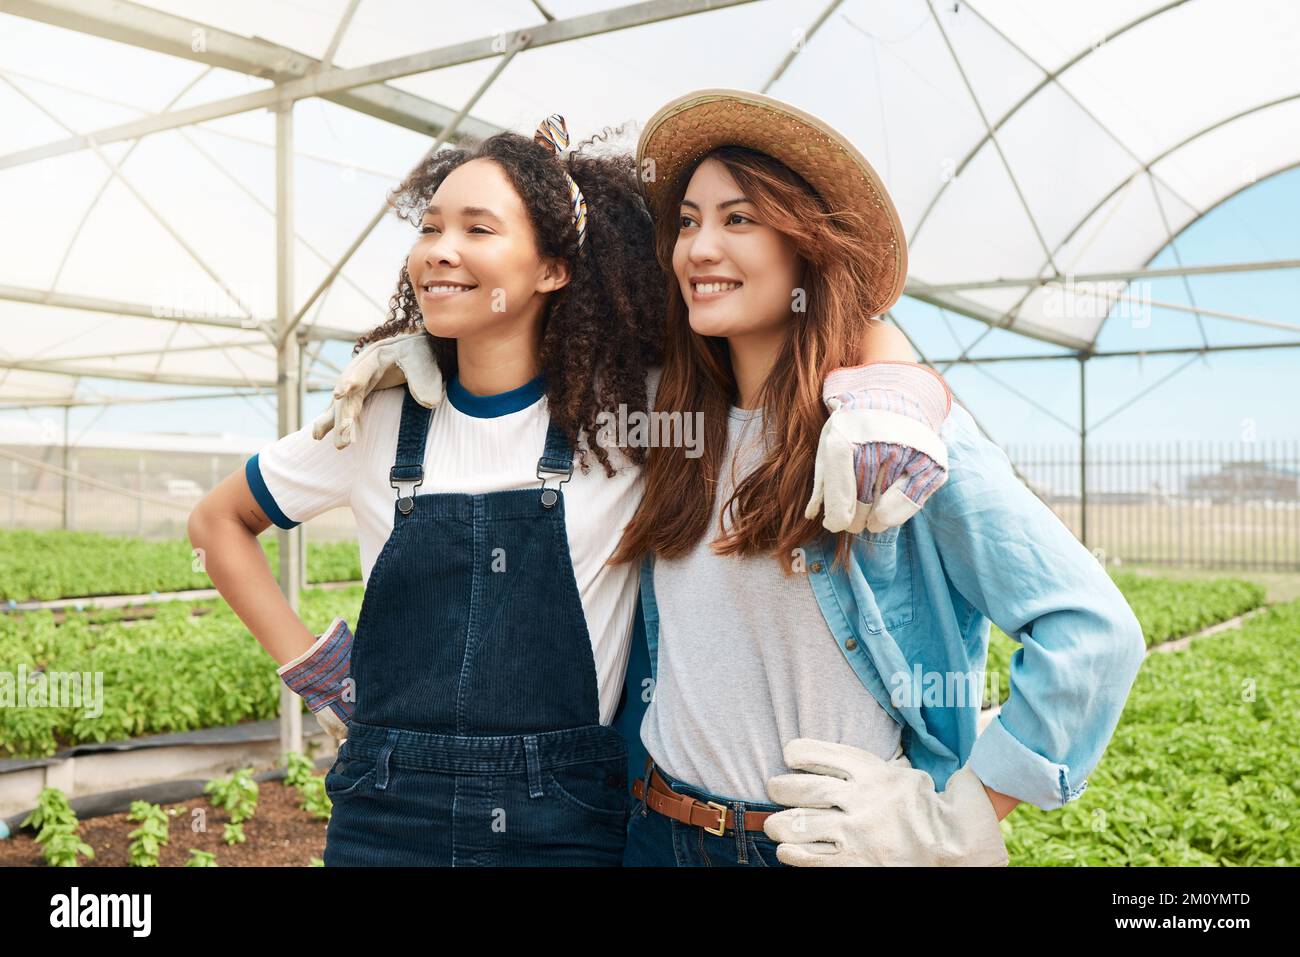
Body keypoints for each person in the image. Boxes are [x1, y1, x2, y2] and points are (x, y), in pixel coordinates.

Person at [607, 89, 1147, 867]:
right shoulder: (668, 423)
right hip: (656, 831)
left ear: (805, 246)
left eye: (738, 219)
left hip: (813, 850)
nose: (698, 248)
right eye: (688, 221)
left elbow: (1094, 630)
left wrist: (955, 819)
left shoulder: (894, 437)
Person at [189, 115, 667, 865]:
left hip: (564, 824)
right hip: (385, 816)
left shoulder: (633, 419)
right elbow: (219, 522)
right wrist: (316, 671)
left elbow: (776, 321)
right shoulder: (376, 414)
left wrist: (893, 388)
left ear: (555, 270)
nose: (439, 250)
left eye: (479, 229)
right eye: (431, 227)